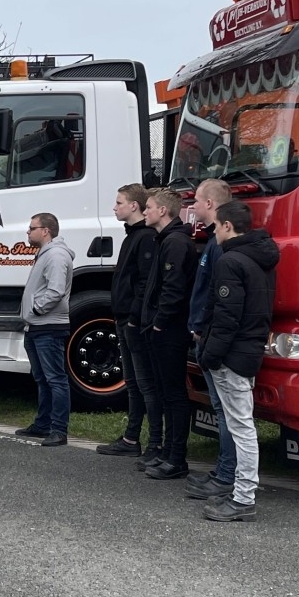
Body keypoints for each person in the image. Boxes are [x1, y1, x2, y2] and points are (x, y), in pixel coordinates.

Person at [194, 200, 279, 521]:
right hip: (248, 351)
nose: (213, 232)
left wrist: (210, 356)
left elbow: (227, 316)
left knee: (241, 427)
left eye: (215, 226)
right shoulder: (261, 257)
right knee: (242, 425)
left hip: (231, 356)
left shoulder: (231, 261)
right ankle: (241, 492)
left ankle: (243, 497)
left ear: (227, 226)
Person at [183, 179, 240, 498]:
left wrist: (201, 327)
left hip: (211, 337)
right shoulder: (214, 241)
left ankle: (227, 475)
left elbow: (217, 294)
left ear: (210, 204)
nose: (194, 204)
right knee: (222, 409)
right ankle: (223, 470)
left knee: (226, 411)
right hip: (204, 333)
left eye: (198, 199)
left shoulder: (221, 245)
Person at [138, 188, 198, 479]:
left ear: (163, 211)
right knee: (164, 391)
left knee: (174, 394)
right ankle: (166, 453)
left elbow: (173, 288)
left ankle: (176, 458)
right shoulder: (164, 240)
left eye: (148, 207)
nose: (145, 211)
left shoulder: (175, 242)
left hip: (170, 331)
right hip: (160, 327)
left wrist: (160, 322)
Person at [96, 184, 158, 459]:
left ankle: (152, 440)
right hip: (124, 318)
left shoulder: (144, 237)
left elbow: (145, 281)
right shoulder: (132, 236)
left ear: (134, 206)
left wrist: (134, 317)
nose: (115, 207)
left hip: (132, 321)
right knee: (133, 381)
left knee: (144, 382)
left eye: (119, 202)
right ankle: (132, 437)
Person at [13, 211, 74, 446]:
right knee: (42, 378)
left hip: (48, 325)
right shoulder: (46, 254)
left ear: (45, 231)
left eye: (32, 228)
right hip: (37, 326)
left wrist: (37, 309)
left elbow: (56, 290)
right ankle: (43, 424)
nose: (28, 232)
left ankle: (58, 429)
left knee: (55, 379)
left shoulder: (56, 255)